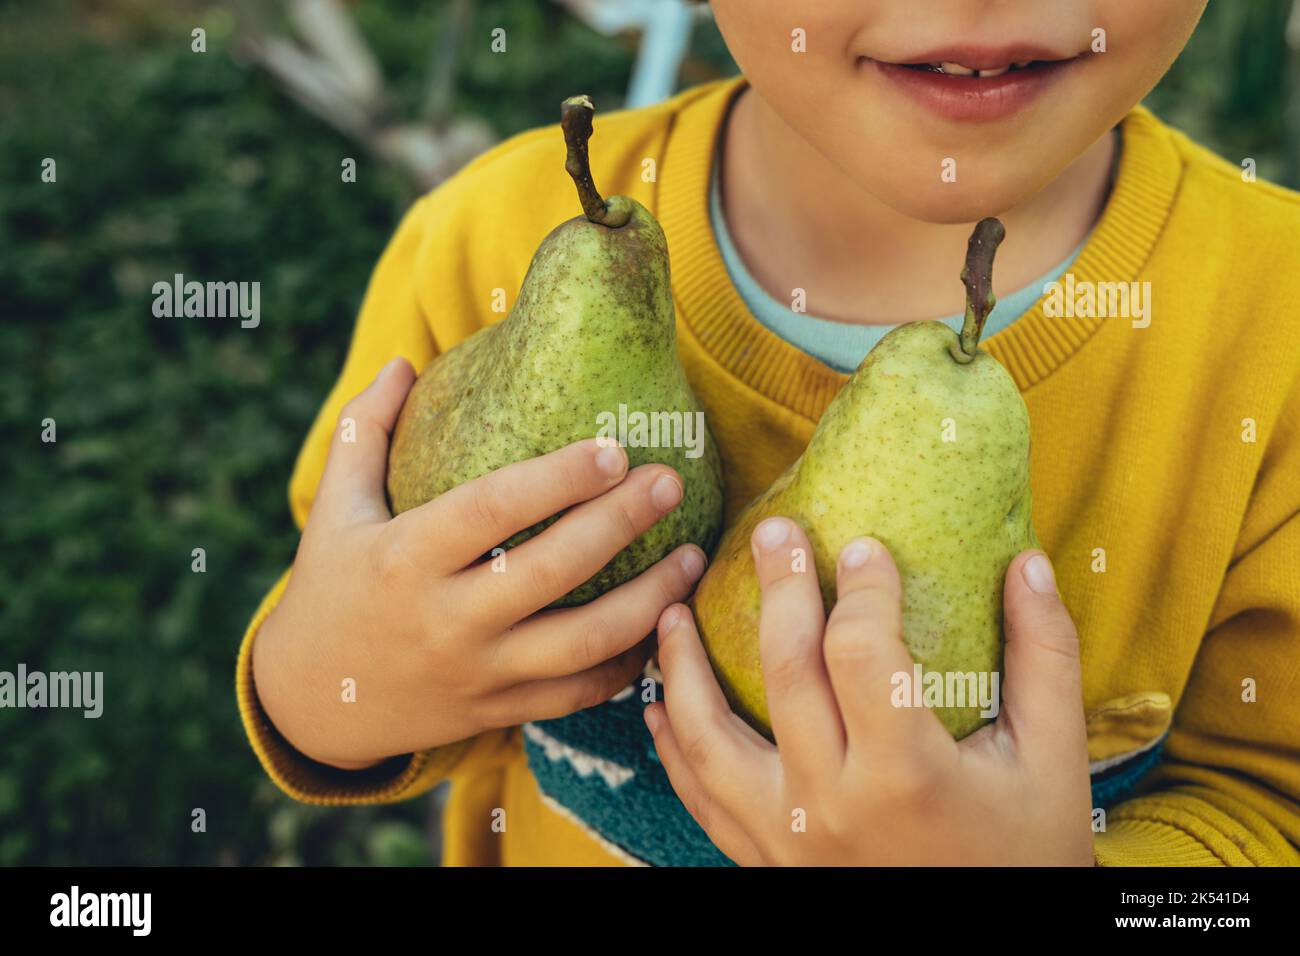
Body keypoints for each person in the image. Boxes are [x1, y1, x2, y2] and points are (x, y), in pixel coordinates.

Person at [238, 0, 1300, 865]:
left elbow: (1268, 808)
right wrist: (320, 684)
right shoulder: (480, 248)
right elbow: (333, 621)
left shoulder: (1274, 338)